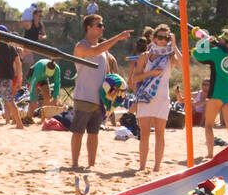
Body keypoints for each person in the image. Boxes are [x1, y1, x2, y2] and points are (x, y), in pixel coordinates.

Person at [70, 14, 132, 169]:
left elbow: (108, 74)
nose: (102, 27)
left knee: (94, 134)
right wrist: (118, 37)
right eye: (99, 25)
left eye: (102, 24)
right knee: (78, 132)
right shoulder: (81, 46)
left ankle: (91, 164)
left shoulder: (104, 52)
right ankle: (75, 164)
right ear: (88, 27)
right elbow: (95, 49)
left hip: (99, 98)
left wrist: (114, 91)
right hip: (83, 96)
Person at [131, 23, 178, 171]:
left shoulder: (170, 56)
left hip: (162, 98)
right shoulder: (145, 56)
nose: (162, 40)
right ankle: (142, 166)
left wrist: (175, 45)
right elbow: (135, 78)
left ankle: (157, 167)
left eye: (166, 38)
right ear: (154, 38)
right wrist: (151, 73)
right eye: (159, 37)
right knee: (144, 133)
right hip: (146, 97)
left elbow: (184, 65)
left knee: (160, 133)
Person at [193, 28, 228, 157]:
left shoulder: (216, 52)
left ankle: (210, 155)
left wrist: (207, 41)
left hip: (217, 92)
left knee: (209, 125)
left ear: (222, 40)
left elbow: (197, 54)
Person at [0, 28, 24, 128]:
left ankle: (19, 124)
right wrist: (19, 78)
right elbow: (18, 63)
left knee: (9, 101)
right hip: (7, 77)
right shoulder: (11, 46)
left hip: (4, 77)